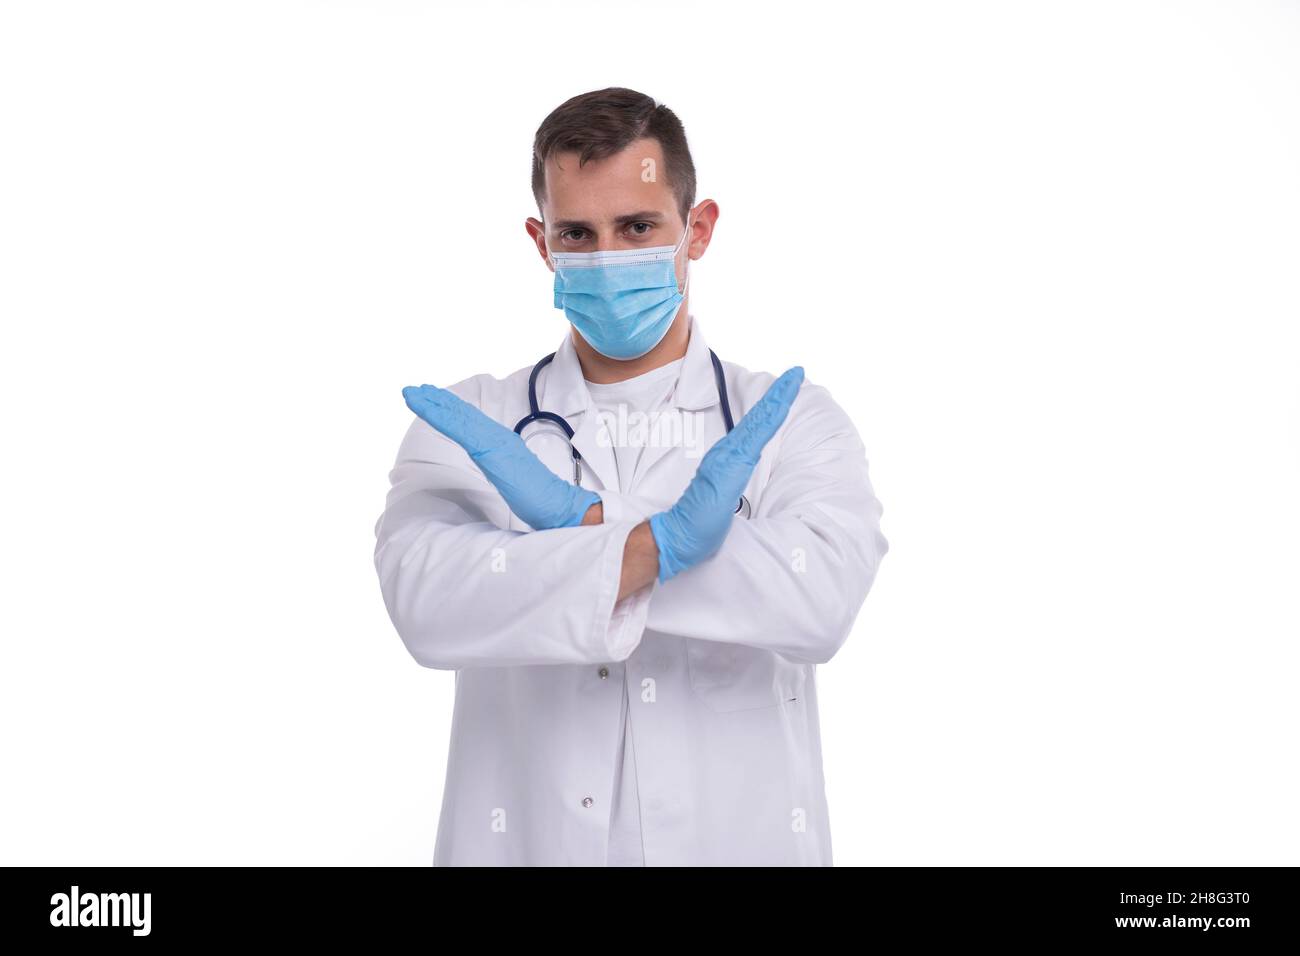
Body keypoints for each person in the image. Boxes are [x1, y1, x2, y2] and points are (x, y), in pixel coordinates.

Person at [372, 87, 889, 866]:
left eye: (638, 227)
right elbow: (428, 606)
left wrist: (583, 532)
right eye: (577, 233)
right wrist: (666, 544)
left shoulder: (789, 422)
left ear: (697, 229)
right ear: (542, 244)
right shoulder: (471, 425)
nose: (607, 258)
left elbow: (819, 604)